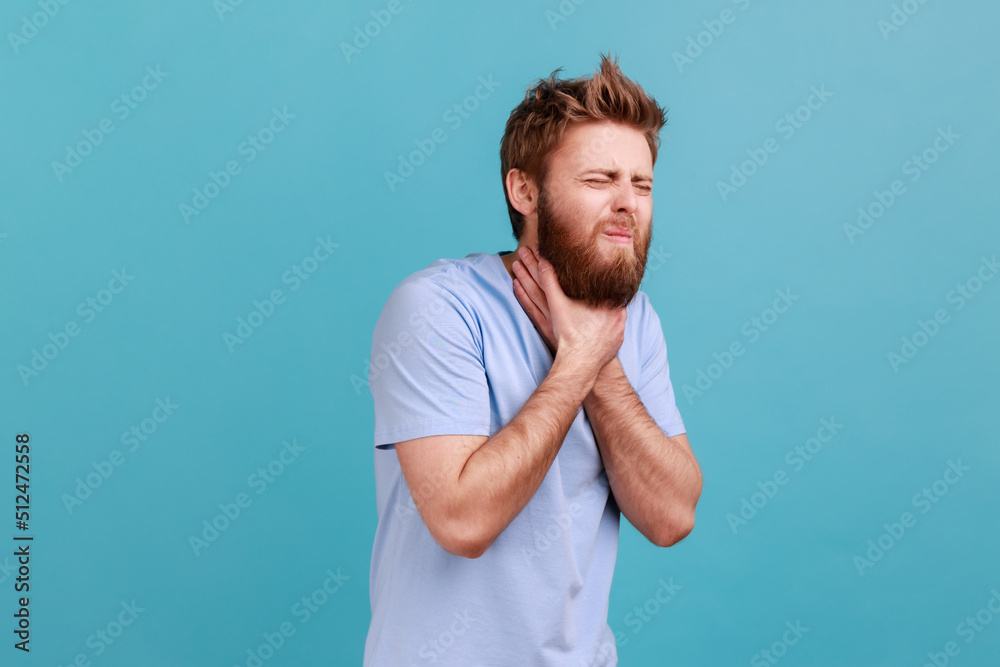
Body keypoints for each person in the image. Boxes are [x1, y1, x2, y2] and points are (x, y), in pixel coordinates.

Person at [363, 52, 702, 666]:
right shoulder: (438, 309)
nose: (628, 202)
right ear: (524, 190)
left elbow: (672, 514)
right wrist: (577, 363)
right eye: (600, 180)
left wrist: (603, 366)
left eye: (642, 183)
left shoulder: (635, 322)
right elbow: (463, 522)